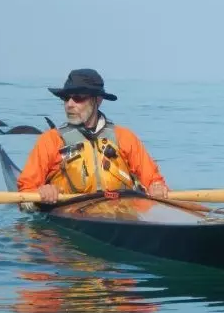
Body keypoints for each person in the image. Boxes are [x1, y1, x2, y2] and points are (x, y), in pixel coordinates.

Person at [17, 68, 168, 209]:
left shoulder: (125, 137)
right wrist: (41, 193)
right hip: (70, 215)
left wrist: (157, 187)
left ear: (98, 100)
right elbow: (26, 191)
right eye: (66, 98)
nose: (69, 104)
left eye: (77, 98)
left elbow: (154, 180)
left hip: (123, 213)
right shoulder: (50, 140)